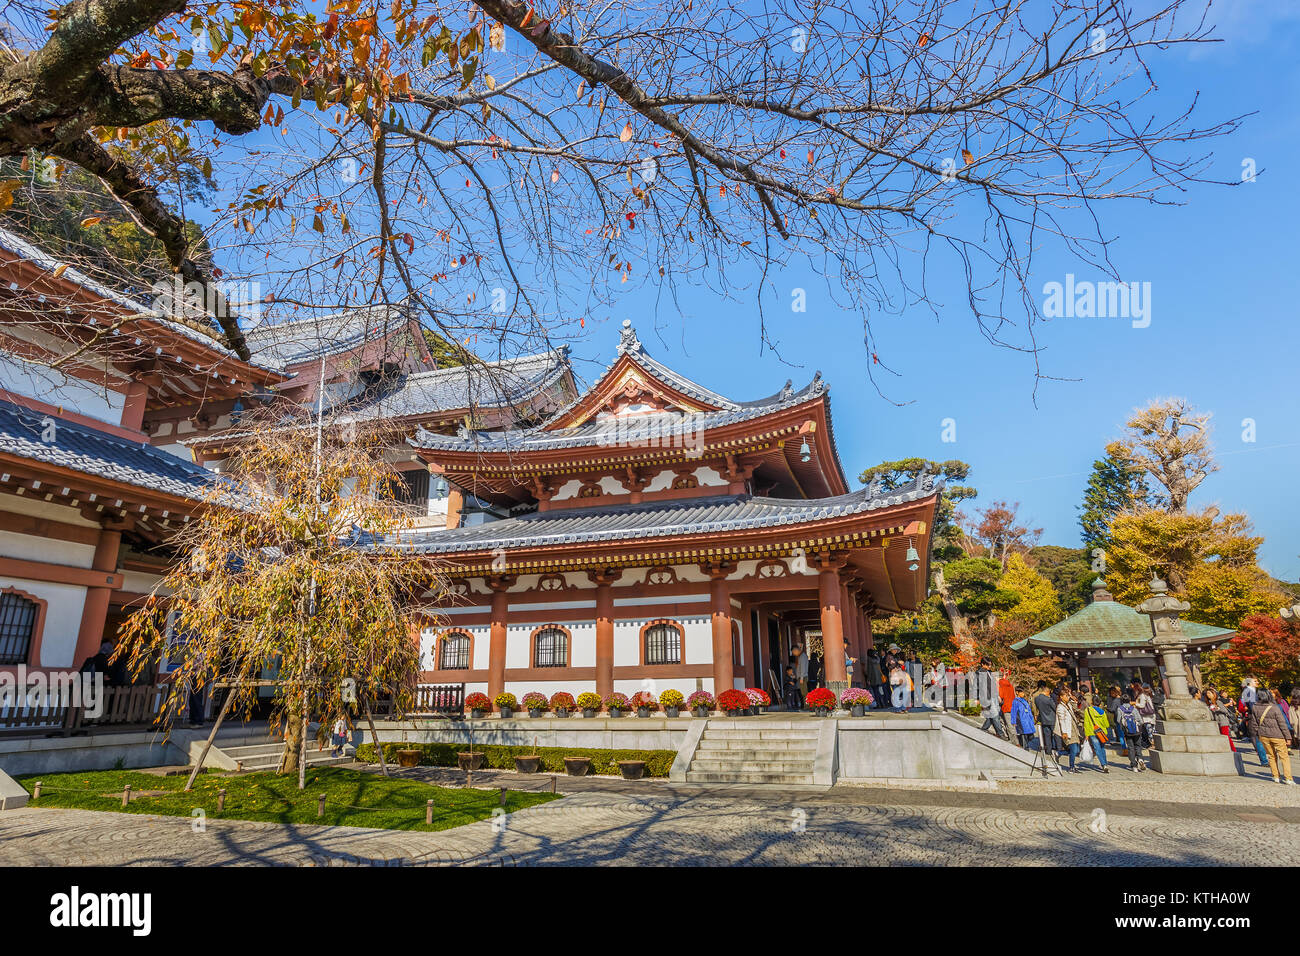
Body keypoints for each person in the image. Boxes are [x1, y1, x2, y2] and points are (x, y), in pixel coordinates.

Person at [1249, 689, 1294, 784]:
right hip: (1277, 735)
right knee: (1284, 757)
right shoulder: (1274, 707)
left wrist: (1257, 734)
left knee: (1271, 756)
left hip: (1264, 735)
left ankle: (1275, 776)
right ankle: (1288, 778)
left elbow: (1254, 723)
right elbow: (1282, 723)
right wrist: (1288, 737)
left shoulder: (1255, 707)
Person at [1117, 691, 1146, 771]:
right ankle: (1140, 758)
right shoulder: (1133, 708)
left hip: (1127, 732)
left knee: (1131, 747)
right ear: (1129, 700)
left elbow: (1118, 720)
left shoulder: (1120, 709)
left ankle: (1134, 765)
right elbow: (1140, 720)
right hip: (1136, 731)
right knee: (1138, 746)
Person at [1056, 689, 1082, 773]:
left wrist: (1072, 699)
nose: (1068, 697)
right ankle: (1071, 767)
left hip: (1074, 728)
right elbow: (1062, 720)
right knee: (1074, 749)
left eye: (1068, 696)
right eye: (1066, 696)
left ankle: (1059, 753)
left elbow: (1075, 708)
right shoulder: (1060, 707)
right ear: (1061, 697)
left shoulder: (1068, 705)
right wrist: (1064, 732)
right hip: (1068, 729)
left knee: (1077, 749)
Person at [1082, 695, 1111, 773]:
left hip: (1092, 732)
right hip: (1102, 732)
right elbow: (1106, 724)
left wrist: (1086, 734)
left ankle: (1103, 764)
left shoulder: (1088, 710)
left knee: (1097, 748)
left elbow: (1087, 723)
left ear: (1091, 702)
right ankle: (1105, 764)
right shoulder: (1102, 712)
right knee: (1102, 748)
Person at [1205, 689, 1236, 753]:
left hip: (1223, 721)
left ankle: (1233, 750)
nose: (1208, 695)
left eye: (1209, 693)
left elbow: (1225, 711)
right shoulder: (1209, 703)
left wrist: (1217, 708)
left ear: (1214, 694)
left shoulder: (1218, 701)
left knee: (1226, 737)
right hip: (1217, 722)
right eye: (1207, 693)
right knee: (1223, 737)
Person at [1034, 680, 1057, 754]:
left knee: (1047, 736)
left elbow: (1036, 708)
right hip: (1052, 719)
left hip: (1043, 719)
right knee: (1056, 734)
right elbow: (1054, 708)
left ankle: (1048, 750)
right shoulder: (1048, 699)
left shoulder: (1036, 698)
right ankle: (1058, 747)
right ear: (1047, 692)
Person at [1105, 686, 1125, 752]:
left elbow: (1113, 709)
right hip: (1125, 717)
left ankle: (1124, 747)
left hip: (1118, 718)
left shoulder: (1115, 701)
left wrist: (1107, 709)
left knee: (1121, 733)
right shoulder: (1123, 699)